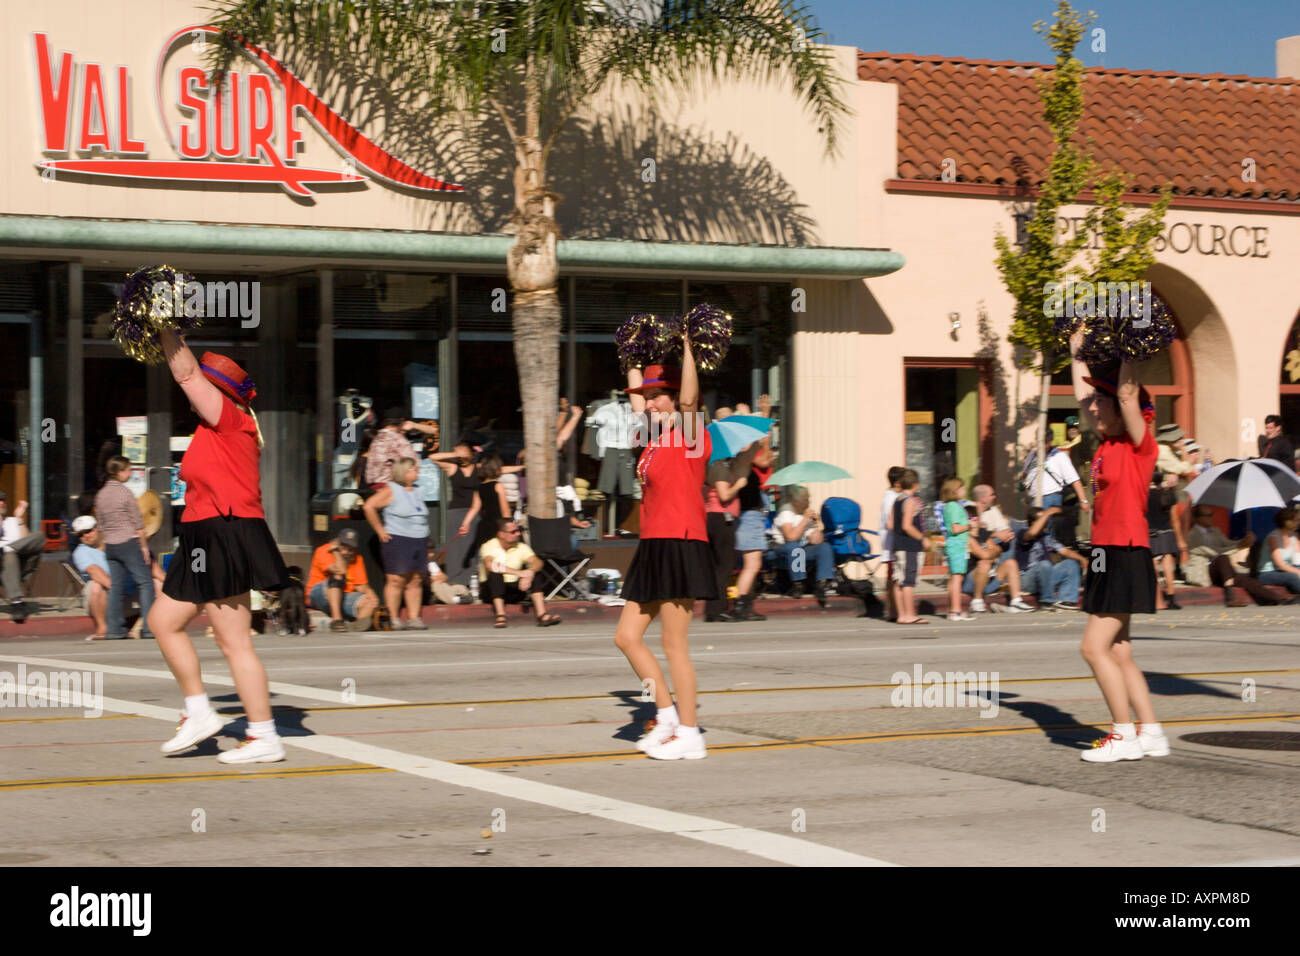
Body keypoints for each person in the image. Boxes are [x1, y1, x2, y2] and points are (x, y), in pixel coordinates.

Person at [146, 332, 291, 764]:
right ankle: (199, 712)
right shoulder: (212, 427)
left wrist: (165, 327)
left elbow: (187, 373)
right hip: (202, 535)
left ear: (218, 391)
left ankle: (263, 735)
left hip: (223, 531)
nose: (193, 393)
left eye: (205, 385)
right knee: (163, 621)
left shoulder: (229, 418)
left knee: (234, 642)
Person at [615, 348, 717, 760]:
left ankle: (691, 733)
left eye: (658, 396)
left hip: (681, 541)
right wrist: (631, 352)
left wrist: (690, 344)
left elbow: (690, 399)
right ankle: (667, 716)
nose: (650, 403)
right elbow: (638, 400)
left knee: (674, 644)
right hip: (653, 544)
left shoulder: (692, 435)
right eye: (648, 397)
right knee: (626, 637)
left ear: (676, 398)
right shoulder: (652, 439)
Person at [1070, 327, 1166, 763]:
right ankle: (1151, 732)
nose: (1093, 407)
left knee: (1093, 648)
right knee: (1120, 650)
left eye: (1100, 401)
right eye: (1093, 401)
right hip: (1105, 552)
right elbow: (1081, 396)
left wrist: (1131, 346)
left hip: (1125, 550)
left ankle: (1123, 735)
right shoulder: (1106, 444)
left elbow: (1127, 395)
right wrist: (1075, 347)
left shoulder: (1140, 445)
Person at [363, 457, 430, 630]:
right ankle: (393, 618)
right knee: (396, 579)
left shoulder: (418, 490)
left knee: (415, 579)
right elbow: (369, 506)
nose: (418, 471)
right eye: (414, 469)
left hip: (419, 540)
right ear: (405, 472)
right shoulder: (391, 489)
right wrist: (380, 530)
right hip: (399, 539)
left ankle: (414, 618)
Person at [94, 456, 156, 641]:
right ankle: (148, 628)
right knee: (145, 583)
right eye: (128, 470)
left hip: (111, 545)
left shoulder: (101, 495)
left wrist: (104, 544)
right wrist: (144, 547)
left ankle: (114, 629)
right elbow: (138, 524)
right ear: (120, 472)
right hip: (128, 542)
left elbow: (100, 525)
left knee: (116, 587)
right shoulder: (125, 493)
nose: (130, 473)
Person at [702, 443, 756, 622]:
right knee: (724, 565)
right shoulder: (719, 468)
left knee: (719, 565)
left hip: (715, 518)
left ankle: (714, 609)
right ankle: (717, 610)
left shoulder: (716, 466)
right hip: (721, 519)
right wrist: (738, 485)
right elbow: (724, 496)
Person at [1185, 507, 1275, 606]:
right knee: (1222, 558)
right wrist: (1240, 546)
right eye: (1208, 516)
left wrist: (1243, 541)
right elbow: (1214, 551)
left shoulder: (1215, 530)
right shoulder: (1192, 535)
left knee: (1245, 580)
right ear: (1198, 518)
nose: (1211, 518)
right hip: (1205, 570)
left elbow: (1227, 543)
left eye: (1212, 515)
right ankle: (1230, 597)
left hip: (1223, 570)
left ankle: (1275, 598)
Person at [478, 518, 560, 627]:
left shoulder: (521, 547)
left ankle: (542, 615)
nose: (518, 534)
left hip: (514, 590)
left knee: (536, 573)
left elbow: (538, 562)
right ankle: (500, 615)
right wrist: (519, 573)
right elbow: (490, 565)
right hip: (491, 592)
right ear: (501, 534)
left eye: (518, 530)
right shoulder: (489, 546)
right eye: (513, 532)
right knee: (495, 574)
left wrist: (529, 573)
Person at [731, 441, 774, 622]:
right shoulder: (743, 464)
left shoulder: (741, 465)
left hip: (750, 516)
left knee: (751, 565)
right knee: (752, 565)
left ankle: (744, 604)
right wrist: (765, 442)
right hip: (749, 517)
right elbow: (764, 460)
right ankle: (740, 605)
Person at [427, 440, 480, 585]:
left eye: (464, 451)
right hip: (456, 511)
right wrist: (455, 454)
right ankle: (455, 581)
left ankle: (471, 581)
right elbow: (432, 457)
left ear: (472, 453)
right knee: (455, 548)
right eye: (459, 451)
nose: (462, 455)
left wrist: (523, 466)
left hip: (474, 512)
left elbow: (498, 469)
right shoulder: (453, 467)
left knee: (472, 547)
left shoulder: (479, 468)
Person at [773, 485, 835, 607]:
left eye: (808, 498)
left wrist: (816, 524)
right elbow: (790, 537)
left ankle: (822, 584)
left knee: (824, 547)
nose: (808, 502)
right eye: (806, 499)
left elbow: (817, 540)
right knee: (794, 547)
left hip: (800, 549)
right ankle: (798, 584)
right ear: (796, 501)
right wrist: (805, 519)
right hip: (781, 548)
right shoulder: (786, 511)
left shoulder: (804, 513)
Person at [1015, 506, 1087, 610]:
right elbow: (1032, 533)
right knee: (1045, 564)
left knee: (1071, 564)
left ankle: (1066, 600)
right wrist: (1047, 513)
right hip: (1027, 580)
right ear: (1033, 523)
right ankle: (1047, 601)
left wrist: (1082, 559)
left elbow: (1065, 551)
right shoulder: (1022, 533)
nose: (1046, 523)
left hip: (1046, 577)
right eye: (1043, 520)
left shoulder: (1046, 538)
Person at [307, 528, 379, 631]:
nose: (346, 552)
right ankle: (337, 621)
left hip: (343, 596)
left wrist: (372, 596)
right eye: (344, 547)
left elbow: (361, 586)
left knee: (368, 601)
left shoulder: (357, 558)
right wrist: (336, 551)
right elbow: (340, 571)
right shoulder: (323, 550)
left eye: (350, 549)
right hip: (319, 594)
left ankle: (356, 626)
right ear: (337, 542)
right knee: (337, 577)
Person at [0, 493, 45, 623]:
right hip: (2, 567)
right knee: (9, 556)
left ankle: (9, 549)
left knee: (39, 536)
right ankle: (17, 603)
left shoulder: (12, 521)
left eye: (3, 500)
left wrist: (19, 519)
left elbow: (26, 541)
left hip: (21, 563)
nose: (2, 503)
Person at [461, 454, 510, 570]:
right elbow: (505, 510)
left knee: (487, 556)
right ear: (496, 469)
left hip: (485, 526)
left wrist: (465, 524)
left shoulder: (479, 488)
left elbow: (474, 508)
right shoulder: (498, 486)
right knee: (502, 556)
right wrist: (508, 526)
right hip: (498, 526)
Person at [891, 468, 926, 624]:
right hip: (910, 546)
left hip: (898, 545)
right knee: (908, 582)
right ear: (915, 484)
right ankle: (909, 614)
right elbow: (907, 526)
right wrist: (922, 538)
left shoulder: (897, 500)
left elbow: (890, 524)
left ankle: (901, 614)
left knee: (899, 580)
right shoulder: (910, 501)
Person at [1147, 474, 1186, 611]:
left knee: (1153, 567)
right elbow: (1175, 519)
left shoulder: (1145, 494)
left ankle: (1156, 599)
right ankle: (1171, 599)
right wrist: (1180, 539)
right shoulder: (1169, 495)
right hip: (1166, 533)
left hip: (1150, 533)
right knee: (1168, 566)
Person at [70, 515, 113, 640]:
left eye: (88, 531)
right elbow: (95, 572)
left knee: (156, 583)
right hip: (104, 596)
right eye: (80, 535)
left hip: (126, 591)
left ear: (98, 528)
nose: (85, 536)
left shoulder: (114, 543)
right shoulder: (81, 552)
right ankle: (102, 627)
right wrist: (117, 591)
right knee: (96, 585)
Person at [939, 478, 974, 622]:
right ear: (954, 490)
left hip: (956, 544)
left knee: (954, 577)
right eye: (961, 488)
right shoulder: (953, 506)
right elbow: (955, 528)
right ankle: (956, 610)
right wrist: (969, 525)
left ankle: (953, 610)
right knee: (957, 578)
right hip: (957, 544)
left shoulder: (951, 506)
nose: (964, 490)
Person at [1254, 506, 1300, 598]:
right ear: (1287, 522)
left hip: (1285, 570)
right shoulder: (1273, 537)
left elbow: (1297, 560)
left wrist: (1298, 569)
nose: (1299, 522)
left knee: (1294, 574)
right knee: (1292, 577)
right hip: (1268, 573)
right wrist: (1298, 572)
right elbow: (1280, 565)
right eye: (1296, 520)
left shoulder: (1294, 536)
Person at [880, 467, 905, 621]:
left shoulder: (893, 496)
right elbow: (891, 522)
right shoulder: (891, 498)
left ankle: (893, 610)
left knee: (892, 576)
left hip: (893, 541)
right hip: (893, 542)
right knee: (893, 577)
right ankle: (892, 610)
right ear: (897, 483)